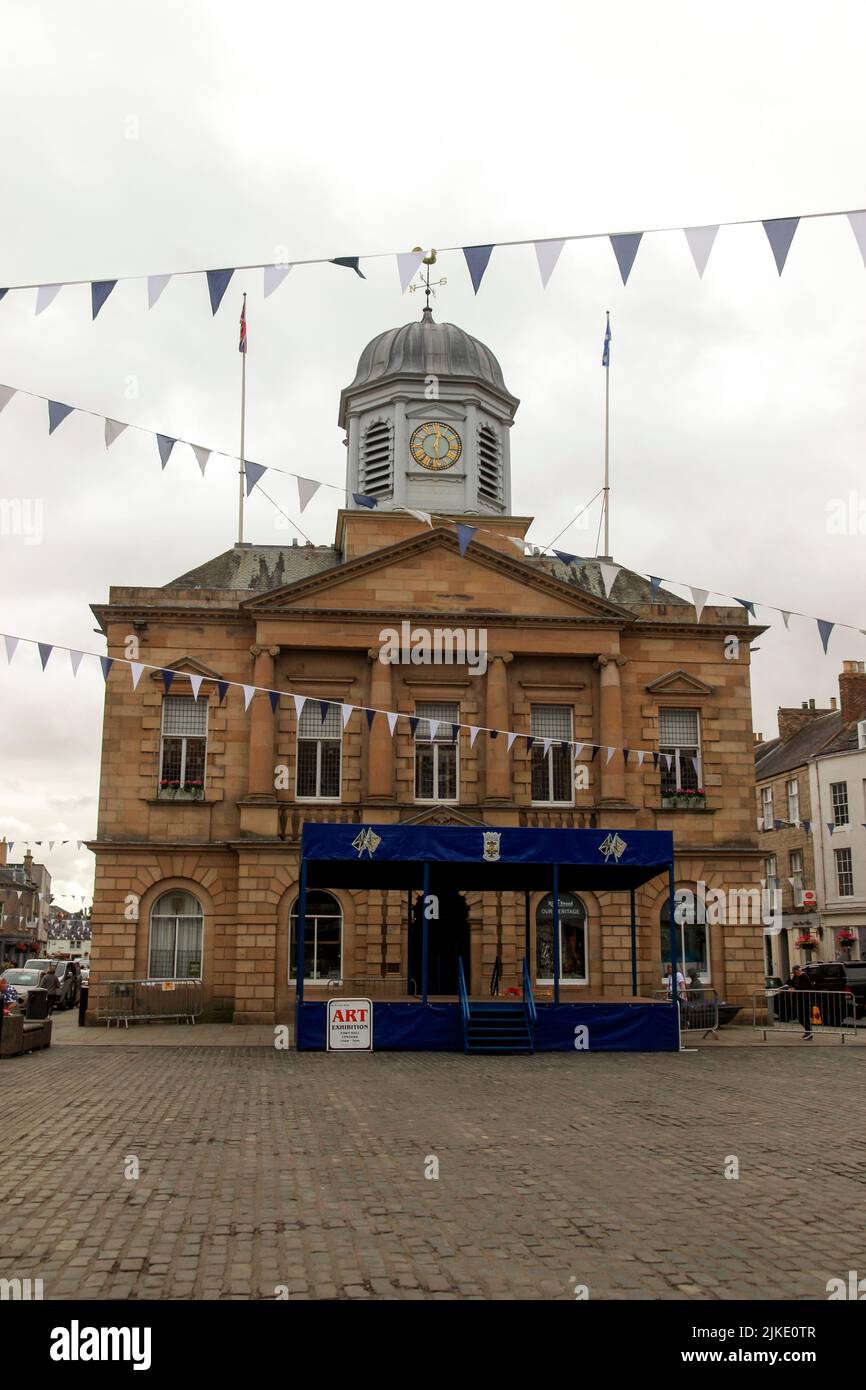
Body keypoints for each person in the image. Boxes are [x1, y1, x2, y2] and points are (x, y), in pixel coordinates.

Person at [785, 964, 813, 1039]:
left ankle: (809, 1031)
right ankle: (807, 1031)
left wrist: (795, 989)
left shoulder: (805, 977)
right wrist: (790, 979)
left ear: (798, 970)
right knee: (800, 1015)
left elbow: (804, 986)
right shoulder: (795, 976)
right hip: (797, 998)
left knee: (804, 1015)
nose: (794, 973)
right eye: (793, 972)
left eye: (795, 972)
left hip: (804, 998)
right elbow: (789, 983)